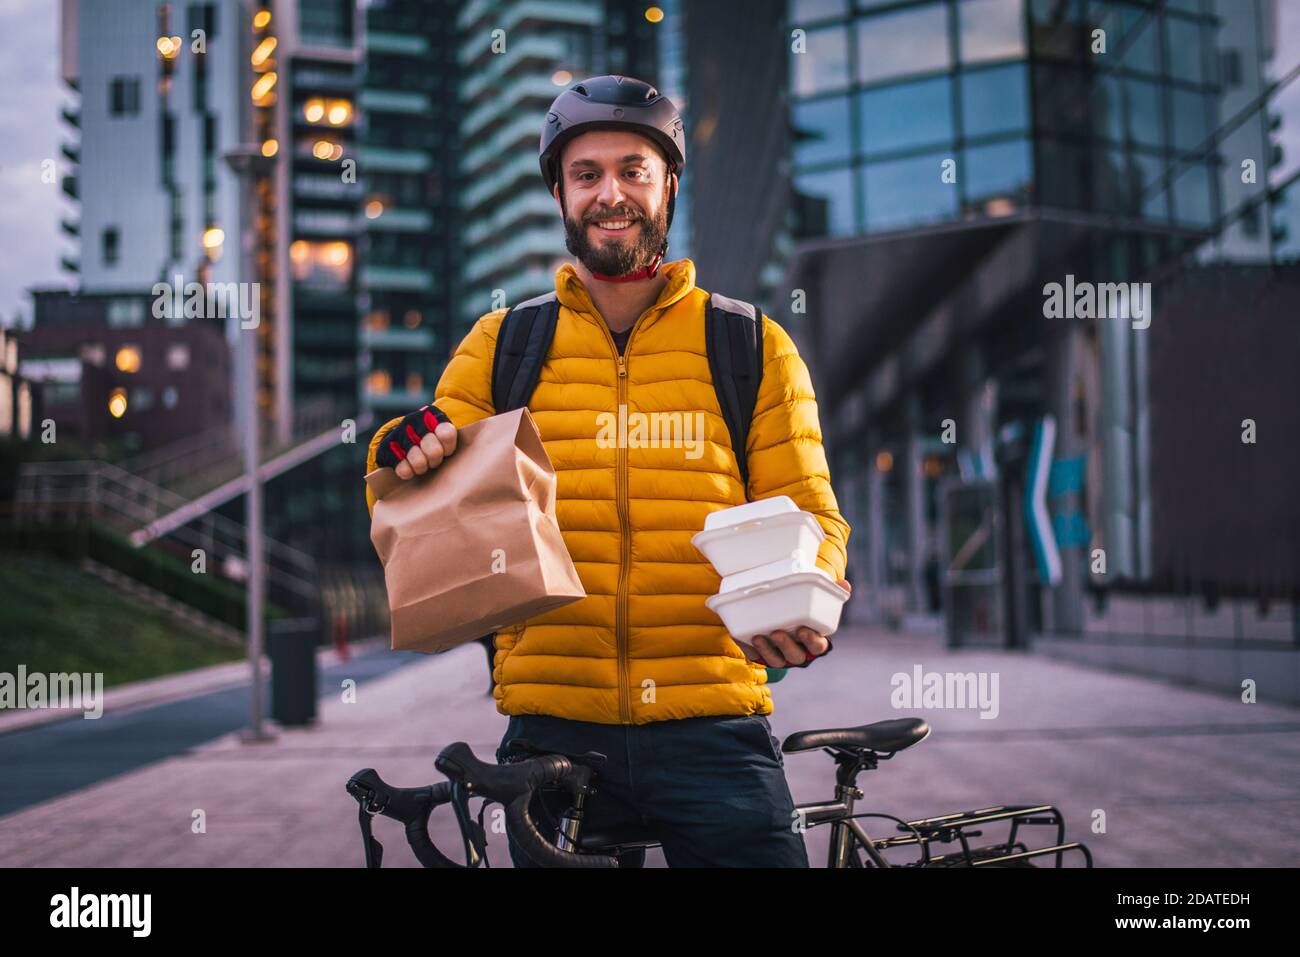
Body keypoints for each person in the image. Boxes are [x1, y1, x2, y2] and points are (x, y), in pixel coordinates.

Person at [363, 75, 851, 867]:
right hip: (553, 733)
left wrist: (811, 598)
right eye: (586, 174)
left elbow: (811, 515)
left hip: (715, 727)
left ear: (669, 186)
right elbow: (427, 462)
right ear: (560, 193)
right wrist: (398, 446)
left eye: (634, 170)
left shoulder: (750, 345)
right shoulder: (503, 343)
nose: (611, 193)